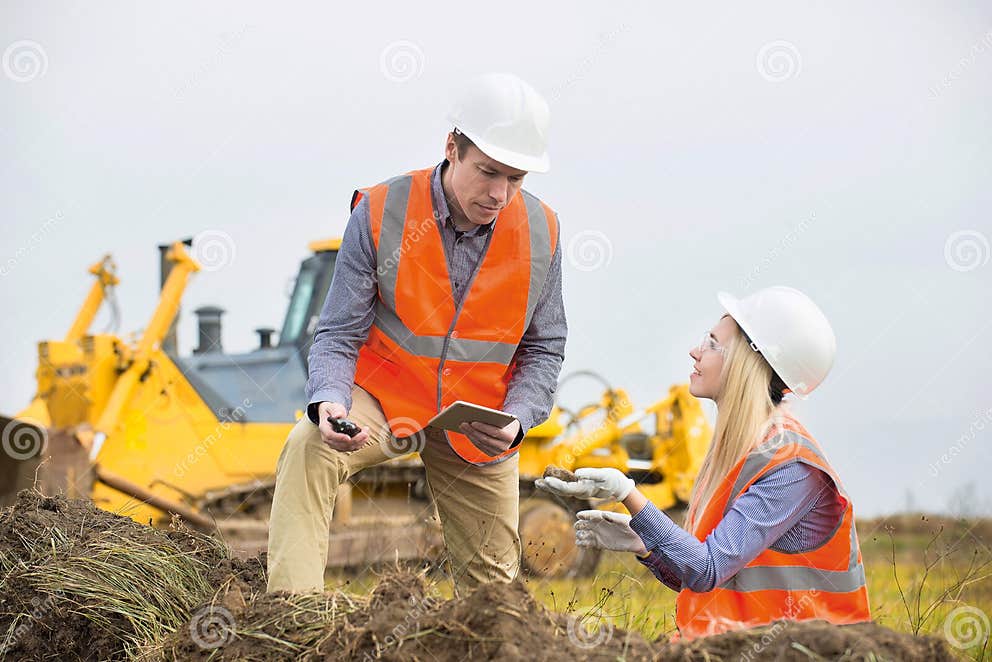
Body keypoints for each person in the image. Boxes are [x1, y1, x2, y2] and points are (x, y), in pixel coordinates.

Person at [266, 73, 566, 595]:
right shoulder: (381, 211)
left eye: (515, 178)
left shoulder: (542, 231)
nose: (500, 193)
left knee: (495, 595)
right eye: (488, 172)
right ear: (451, 148)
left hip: (477, 422)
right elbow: (337, 332)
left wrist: (519, 419)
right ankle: (294, 620)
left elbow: (544, 346)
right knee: (309, 446)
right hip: (384, 397)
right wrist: (329, 403)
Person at [537, 286, 870, 639]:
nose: (695, 351)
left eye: (712, 343)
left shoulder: (790, 467)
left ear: (746, 362)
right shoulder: (744, 450)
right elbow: (699, 574)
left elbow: (707, 569)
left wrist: (628, 494)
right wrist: (642, 543)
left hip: (816, 651)